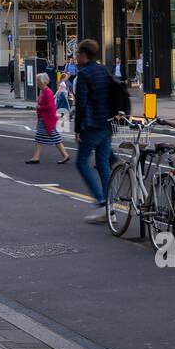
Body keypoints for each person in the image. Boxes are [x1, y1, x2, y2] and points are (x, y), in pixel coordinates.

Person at [73, 39, 114, 223]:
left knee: (81, 162)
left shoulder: (84, 74)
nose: (76, 58)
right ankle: (109, 206)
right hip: (107, 123)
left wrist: (77, 129)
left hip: (92, 124)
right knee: (103, 163)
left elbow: (81, 104)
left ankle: (101, 202)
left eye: (77, 54)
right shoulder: (103, 70)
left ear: (83, 55)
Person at [28, 73, 70, 164]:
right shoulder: (43, 91)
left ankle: (37, 157)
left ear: (42, 81)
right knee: (50, 137)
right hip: (43, 119)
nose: (37, 82)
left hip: (47, 119)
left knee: (43, 137)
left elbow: (51, 106)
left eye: (38, 80)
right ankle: (64, 155)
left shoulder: (47, 92)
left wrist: (40, 107)